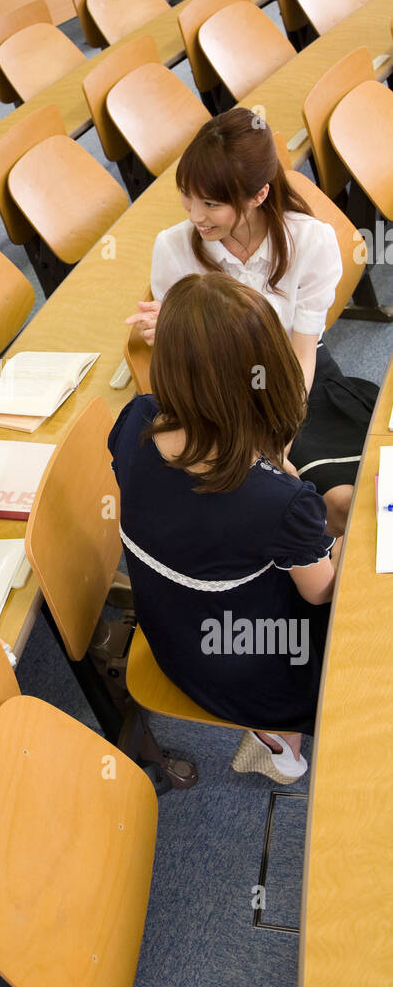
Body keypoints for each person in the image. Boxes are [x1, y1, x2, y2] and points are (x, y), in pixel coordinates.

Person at [110, 275, 343, 785]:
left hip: (168, 632)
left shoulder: (137, 417)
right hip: (239, 668)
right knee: (358, 614)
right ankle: (277, 739)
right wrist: (341, 542)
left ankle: (275, 736)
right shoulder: (280, 503)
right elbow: (323, 591)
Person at [126, 107, 377, 536]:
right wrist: (172, 335)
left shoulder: (310, 241)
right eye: (187, 196)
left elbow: (302, 352)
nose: (194, 215)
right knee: (330, 505)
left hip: (297, 377)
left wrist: (280, 440)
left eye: (211, 203)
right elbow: (186, 362)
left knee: (358, 497)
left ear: (258, 195)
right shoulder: (173, 248)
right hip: (221, 388)